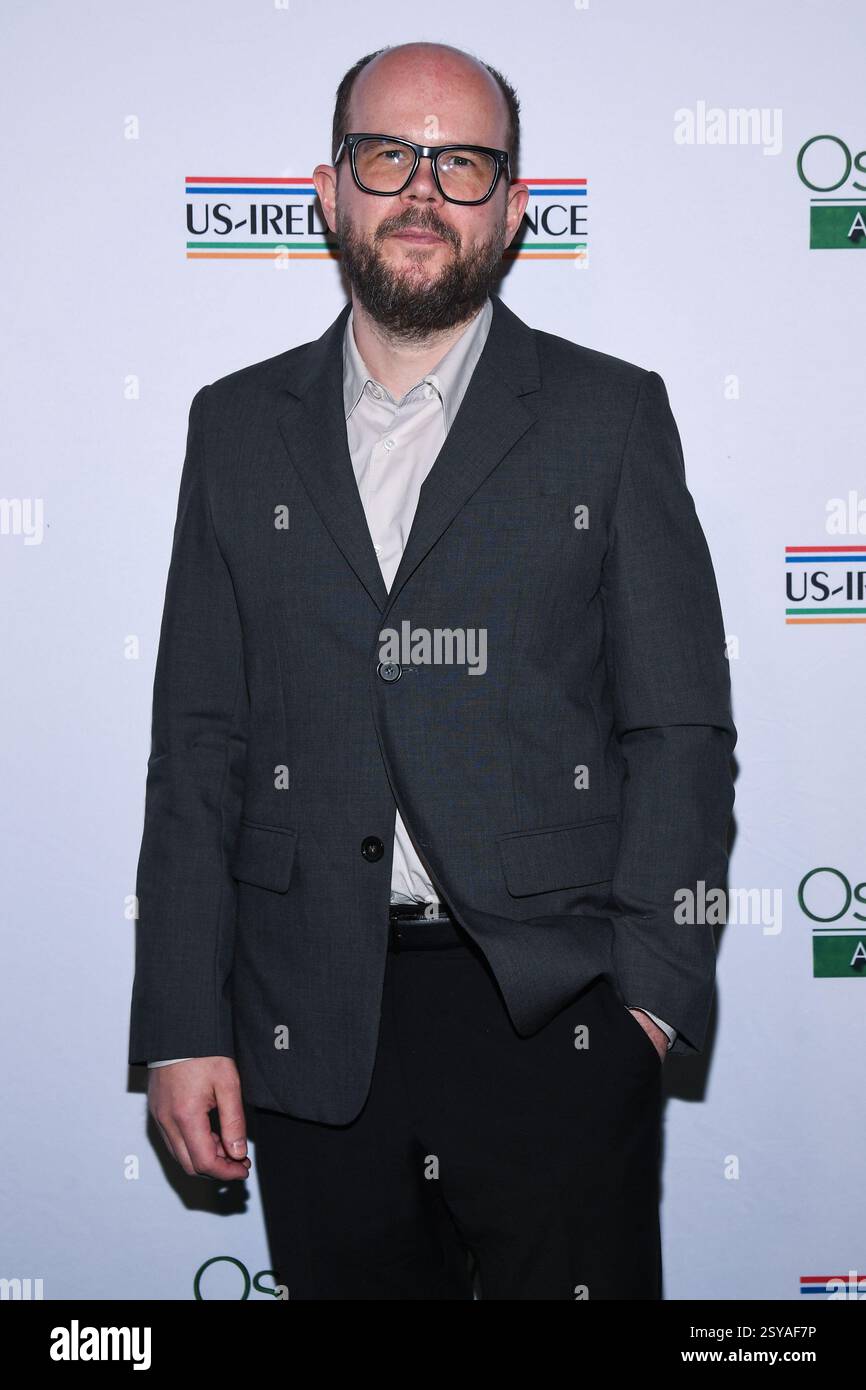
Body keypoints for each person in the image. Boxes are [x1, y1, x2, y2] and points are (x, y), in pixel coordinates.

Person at [129, 41, 736, 1300]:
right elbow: (197, 743)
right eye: (385, 155)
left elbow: (677, 727)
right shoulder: (233, 429)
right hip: (310, 1024)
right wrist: (183, 1025)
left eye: (460, 161)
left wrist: (651, 1007)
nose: (420, 189)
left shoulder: (607, 416)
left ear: (512, 205)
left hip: (551, 1014)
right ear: (327, 187)